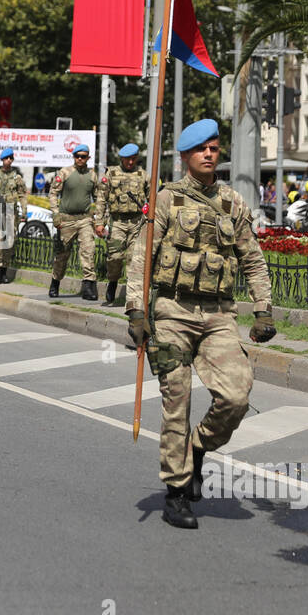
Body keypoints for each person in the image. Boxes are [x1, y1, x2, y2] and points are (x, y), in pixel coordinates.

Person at [125, 118, 274, 530]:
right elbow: (142, 257)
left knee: (236, 396)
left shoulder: (232, 203)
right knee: (178, 400)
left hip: (219, 315)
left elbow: (253, 258)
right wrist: (136, 310)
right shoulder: (166, 200)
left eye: (214, 147)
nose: (209, 154)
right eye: (201, 149)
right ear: (186, 156)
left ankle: (197, 447)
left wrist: (264, 308)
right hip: (172, 312)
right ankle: (176, 492)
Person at [95, 143, 147, 306]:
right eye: (127, 159)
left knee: (134, 259)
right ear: (122, 159)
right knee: (115, 257)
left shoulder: (143, 175)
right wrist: (99, 222)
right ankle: (112, 282)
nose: (130, 162)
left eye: (133, 159)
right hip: (117, 222)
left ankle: (132, 297)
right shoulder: (111, 173)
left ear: (137, 158)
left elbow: (152, 199)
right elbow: (101, 198)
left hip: (137, 222)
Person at [48, 144, 100, 300]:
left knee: (88, 251)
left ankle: (89, 286)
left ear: (88, 158)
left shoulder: (92, 175)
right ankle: (55, 283)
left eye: (83, 156)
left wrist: (98, 215)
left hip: (84, 219)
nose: (79, 159)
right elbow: (53, 193)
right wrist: (56, 214)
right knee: (62, 255)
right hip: (66, 220)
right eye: (77, 156)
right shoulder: (65, 173)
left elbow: (99, 197)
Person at [0, 148, 28, 285]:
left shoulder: (17, 177)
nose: (8, 160)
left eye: (10, 158)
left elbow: (22, 195)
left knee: (8, 243)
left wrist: (24, 211)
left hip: (11, 213)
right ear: (2, 160)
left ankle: (4, 271)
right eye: (6, 158)